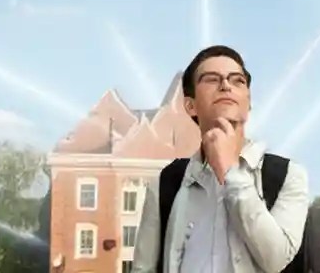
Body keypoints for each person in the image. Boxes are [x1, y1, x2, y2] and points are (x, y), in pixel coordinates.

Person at [133, 45, 310, 273]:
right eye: (211, 79)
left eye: (237, 81)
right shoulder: (167, 182)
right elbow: (142, 268)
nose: (226, 85)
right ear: (191, 105)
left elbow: (275, 259)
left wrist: (230, 171)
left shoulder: (288, 175)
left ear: (248, 102)